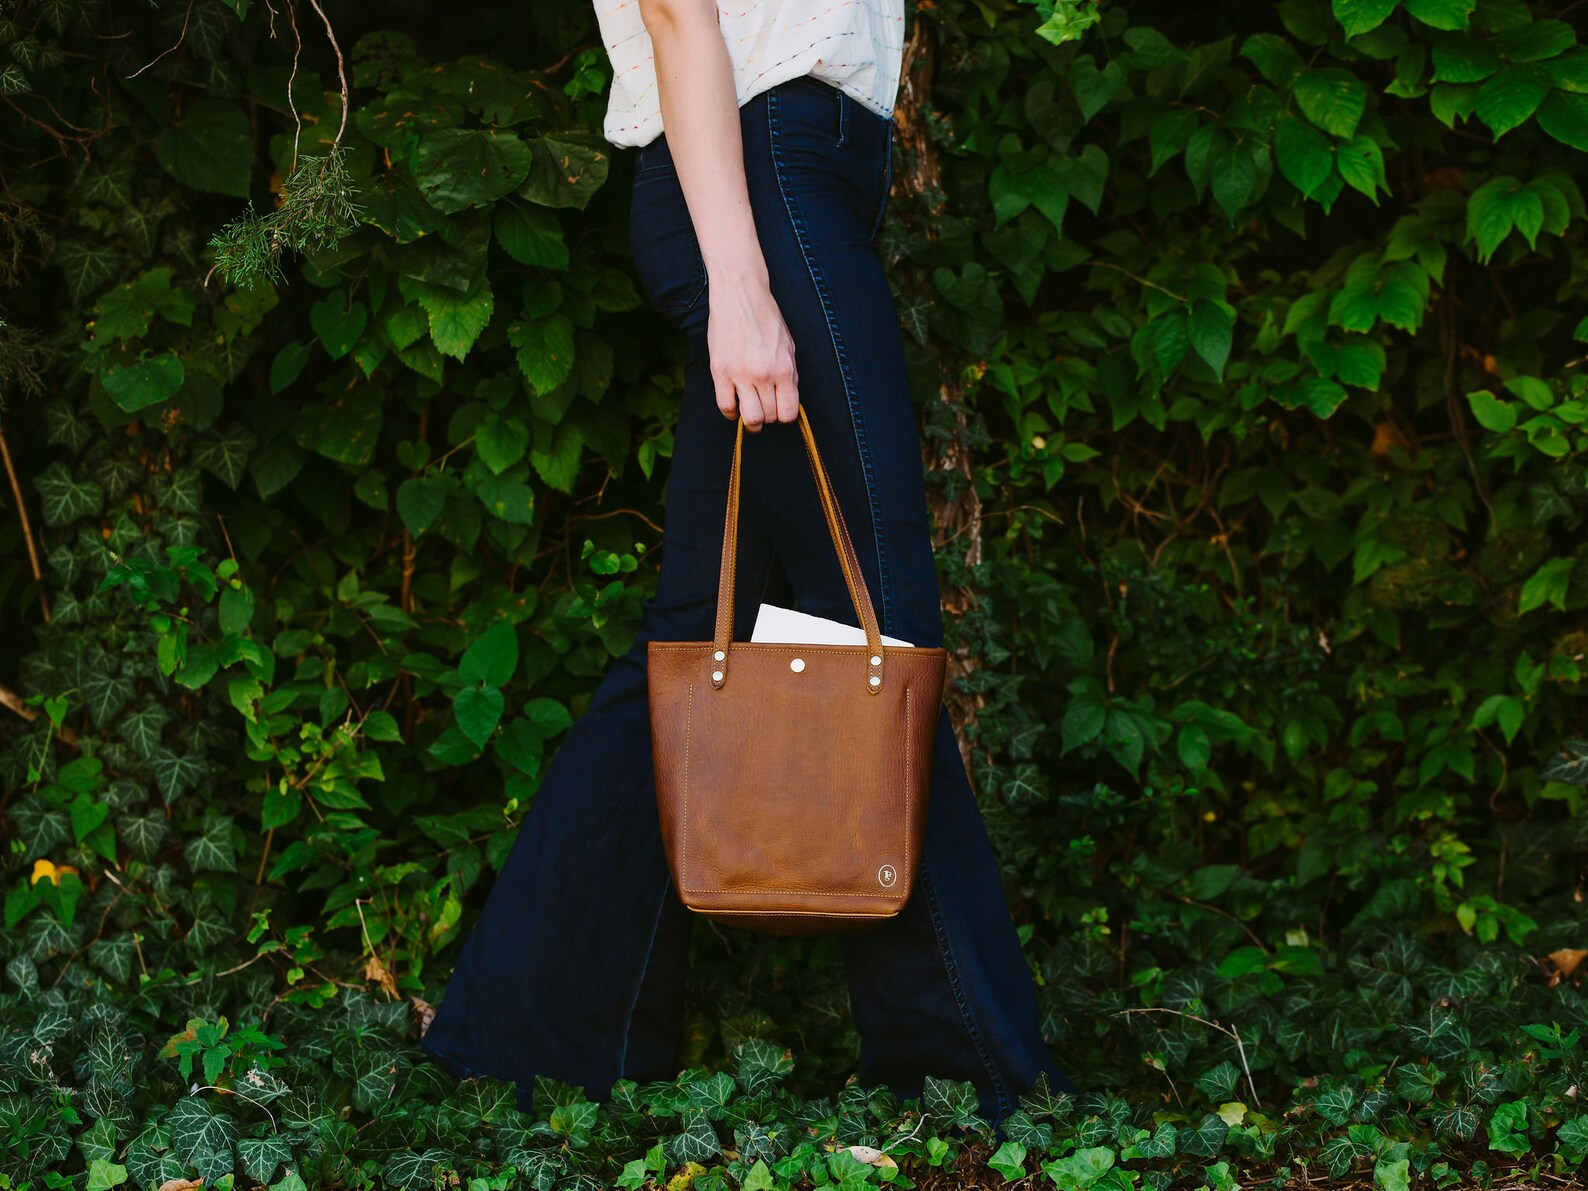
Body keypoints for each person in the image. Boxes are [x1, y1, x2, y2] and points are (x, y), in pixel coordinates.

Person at [417, 0, 1075, 1126]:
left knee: (696, 642)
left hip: (787, 177)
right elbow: (678, 11)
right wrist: (739, 283)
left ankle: (525, 1032)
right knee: (881, 628)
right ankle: (964, 1077)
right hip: (757, 183)